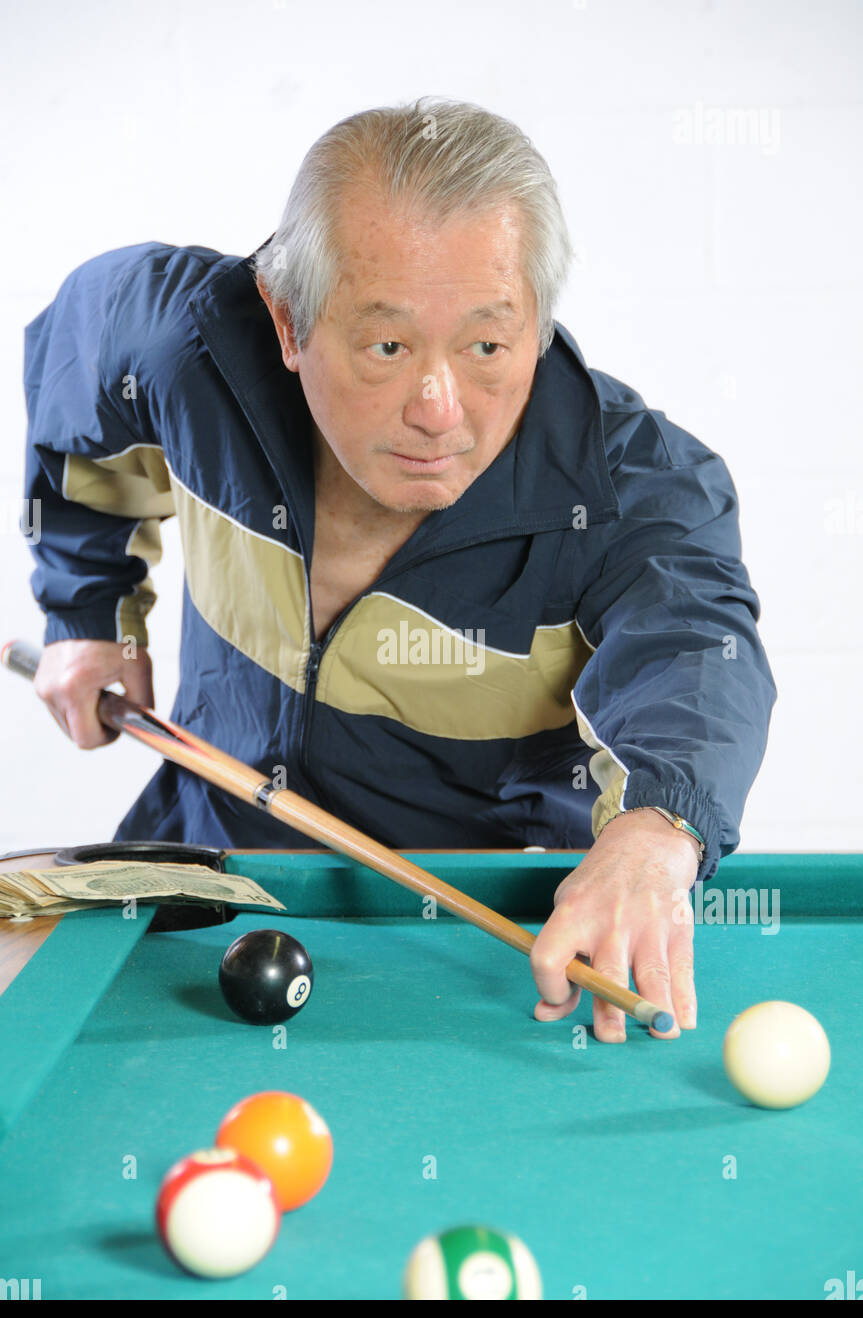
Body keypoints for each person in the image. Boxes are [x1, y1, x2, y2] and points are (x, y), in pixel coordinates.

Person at [21, 97, 776, 1042]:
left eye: (488, 346)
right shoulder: (192, 348)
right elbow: (75, 381)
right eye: (386, 345)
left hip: (455, 954)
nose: (437, 407)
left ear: (538, 326)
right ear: (288, 322)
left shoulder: (628, 488)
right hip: (188, 883)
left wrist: (656, 836)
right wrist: (86, 616)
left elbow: (699, 650)